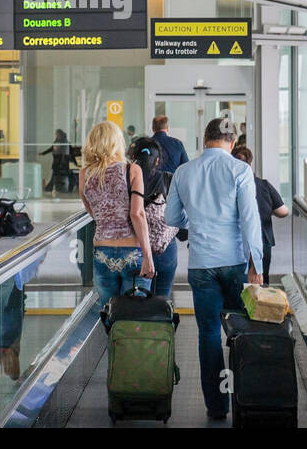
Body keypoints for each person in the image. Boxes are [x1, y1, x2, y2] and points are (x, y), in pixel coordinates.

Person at [166, 116, 262, 421]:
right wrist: (256, 265)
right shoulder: (240, 169)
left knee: (207, 333)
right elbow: (249, 220)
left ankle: (217, 406)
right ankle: (245, 399)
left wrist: (194, 222)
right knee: (241, 331)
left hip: (201, 265)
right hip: (234, 263)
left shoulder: (184, 171)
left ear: (204, 139)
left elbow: (171, 218)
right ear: (232, 143)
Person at [78, 121, 154, 304]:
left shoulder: (84, 174)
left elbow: (93, 213)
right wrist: (148, 255)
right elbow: (137, 214)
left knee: (110, 312)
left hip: (102, 250)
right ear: (117, 142)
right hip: (133, 251)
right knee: (135, 315)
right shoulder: (132, 170)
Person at [231, 146, 289, 286]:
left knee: (237, 284)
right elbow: (283, 212)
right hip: (263, 240)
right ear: (250, 163)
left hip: (236, 243)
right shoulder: (264, 185)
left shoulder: (229, 186)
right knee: (261, 282)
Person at [129, 136, 178, 298]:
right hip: (165, 249)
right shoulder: (168, 179)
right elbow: (179, 212)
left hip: (135, 248)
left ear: (134, 158)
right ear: (157, 161)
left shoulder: (126, 179)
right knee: (162, 298)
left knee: (137, 300)